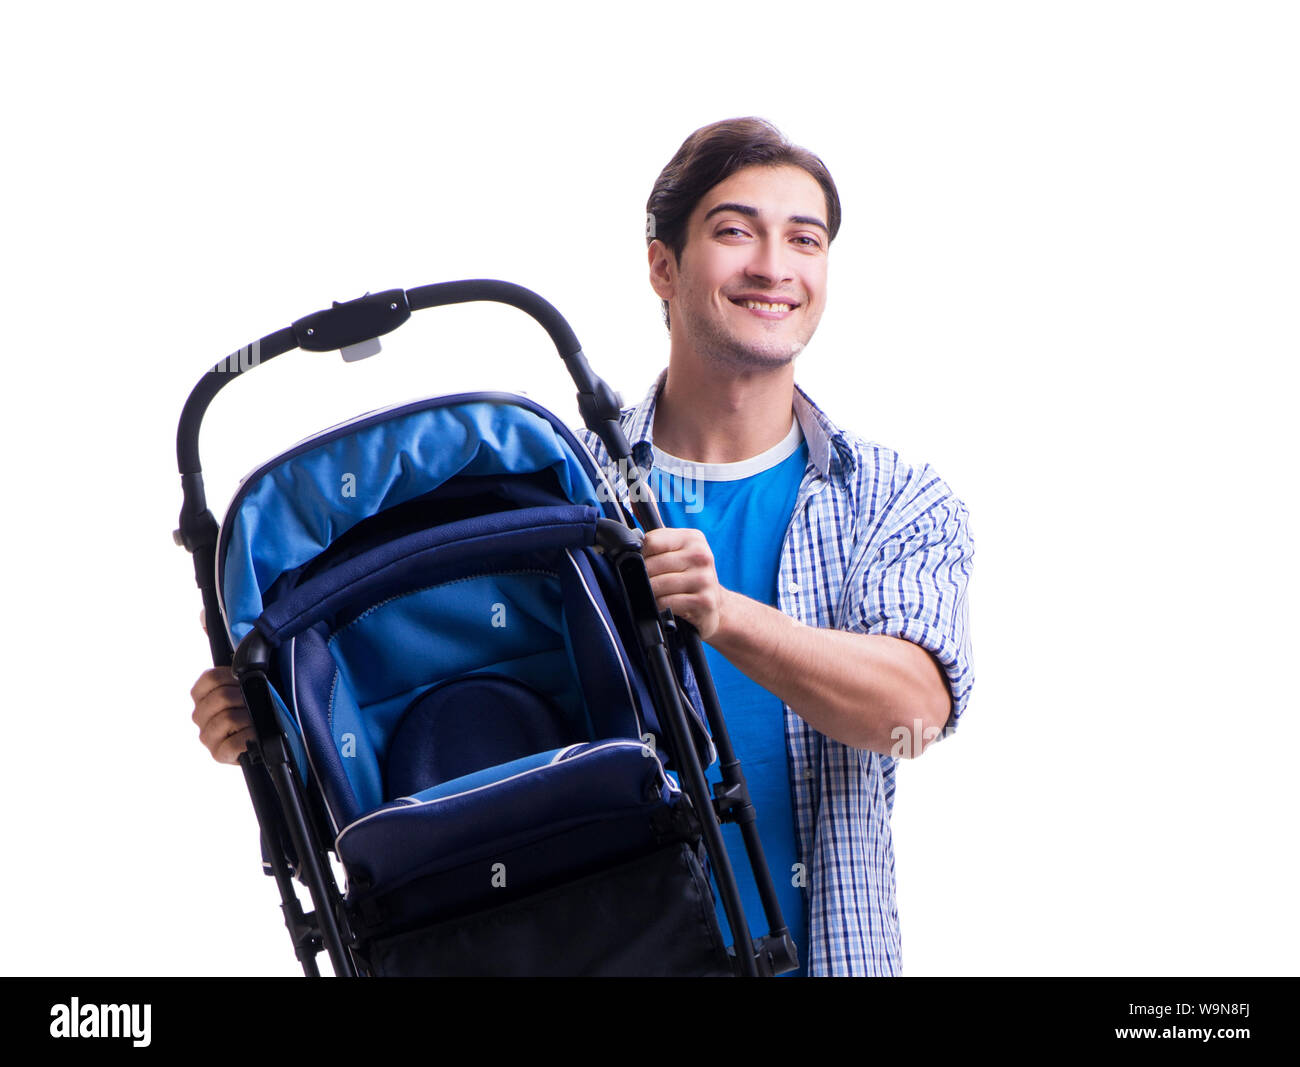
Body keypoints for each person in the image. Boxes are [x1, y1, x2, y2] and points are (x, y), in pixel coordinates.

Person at [190, 117, 975, 977]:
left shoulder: (894, 498)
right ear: (662, 266)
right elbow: (397, 738)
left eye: (805, 239)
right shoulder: (550, 493)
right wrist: (268, 737)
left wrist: (725, 616)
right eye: (735, 230)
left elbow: (912, 716)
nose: (773, 266)